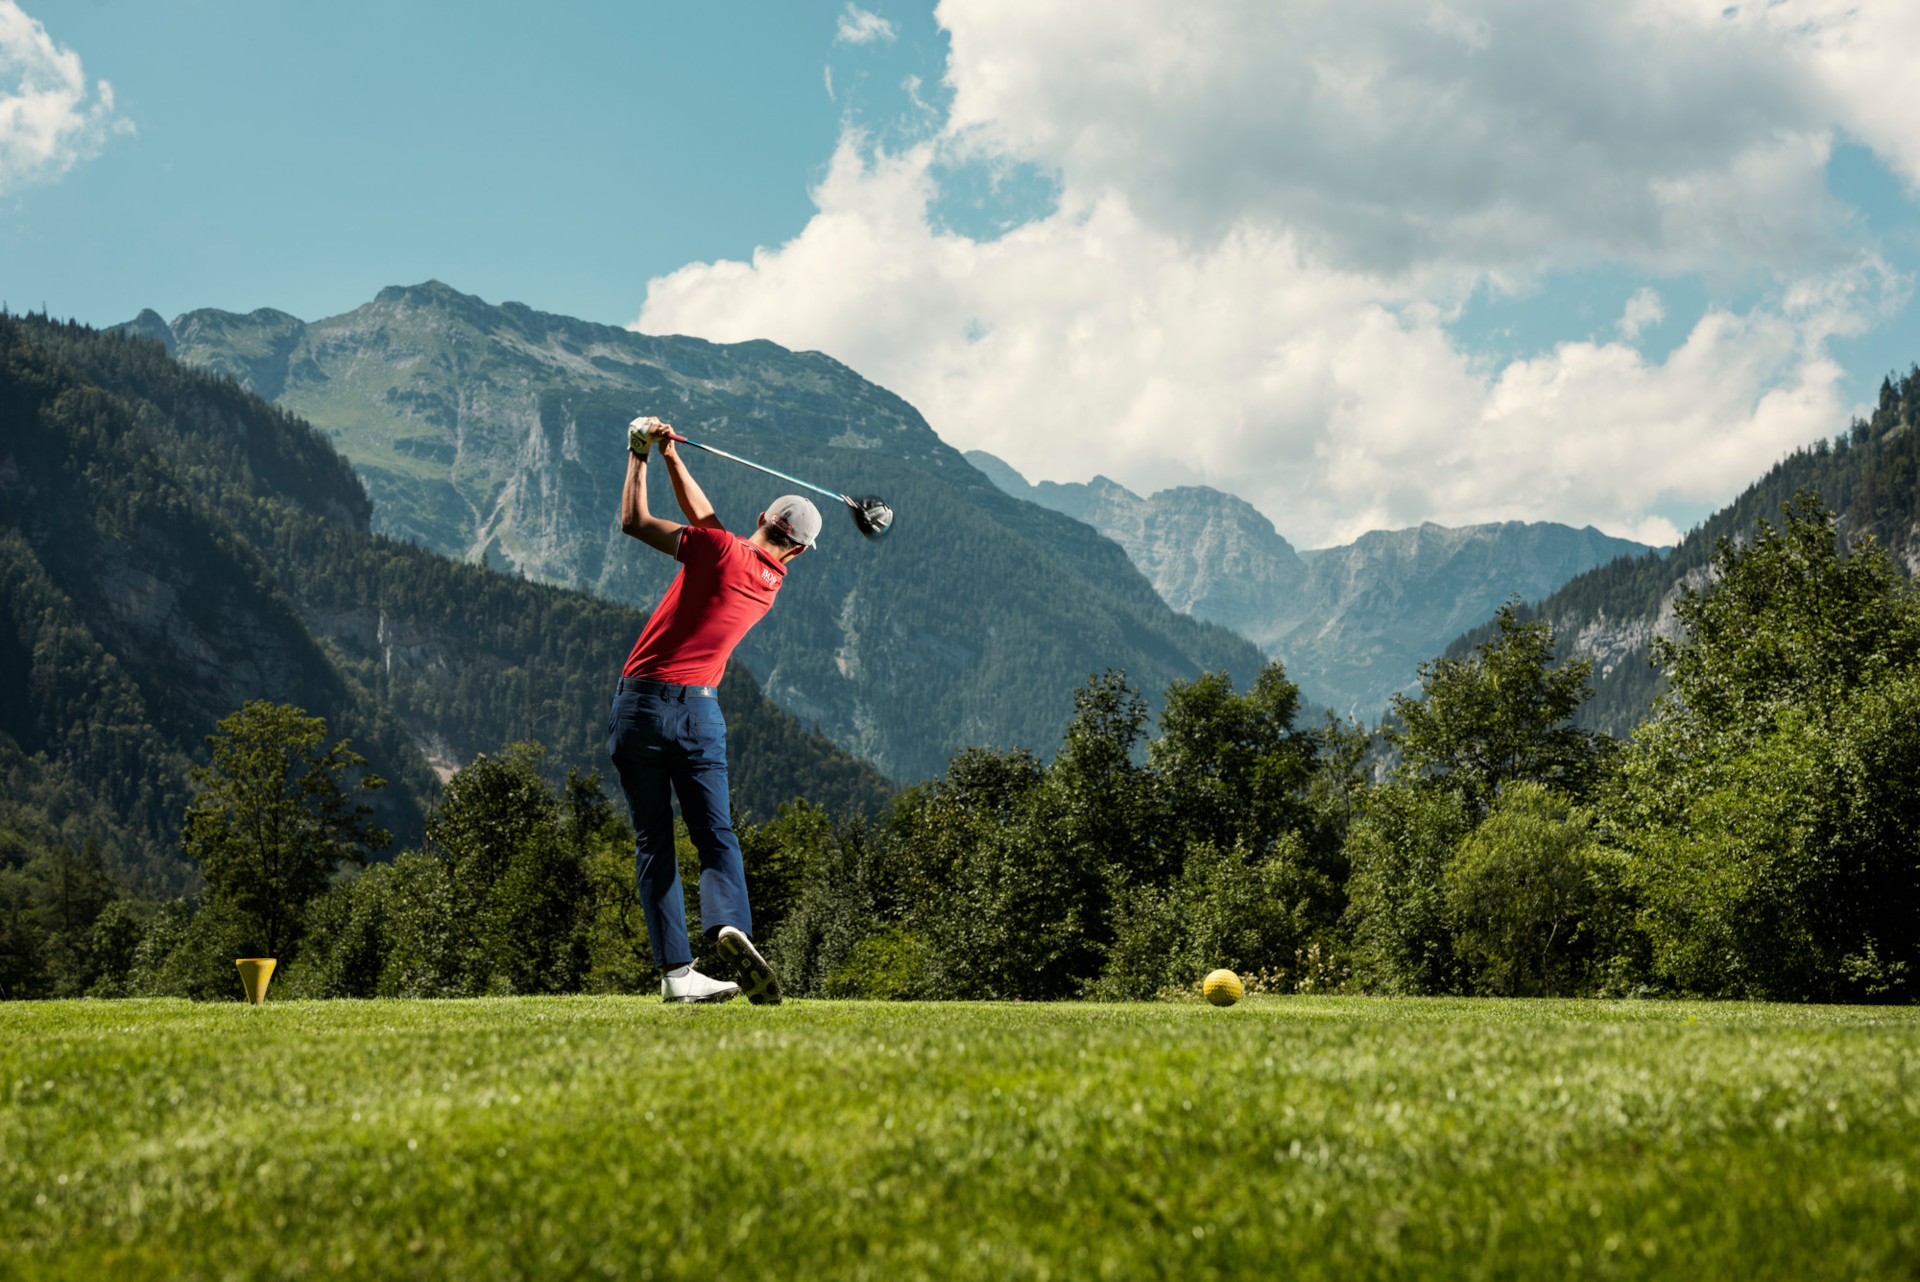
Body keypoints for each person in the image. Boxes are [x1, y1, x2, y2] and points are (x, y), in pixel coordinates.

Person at [608, 416, 821, 1004]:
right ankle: (730, 925)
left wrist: (640, 453)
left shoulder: (718, 549)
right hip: (699, 716)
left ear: (762, 517)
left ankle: (677, 976)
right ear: (799, 551)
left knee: (654, 841)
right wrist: (672, 456)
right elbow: (709, 525)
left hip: (640, 707)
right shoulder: (769, 582)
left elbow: (635, 522)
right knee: (716, 834)